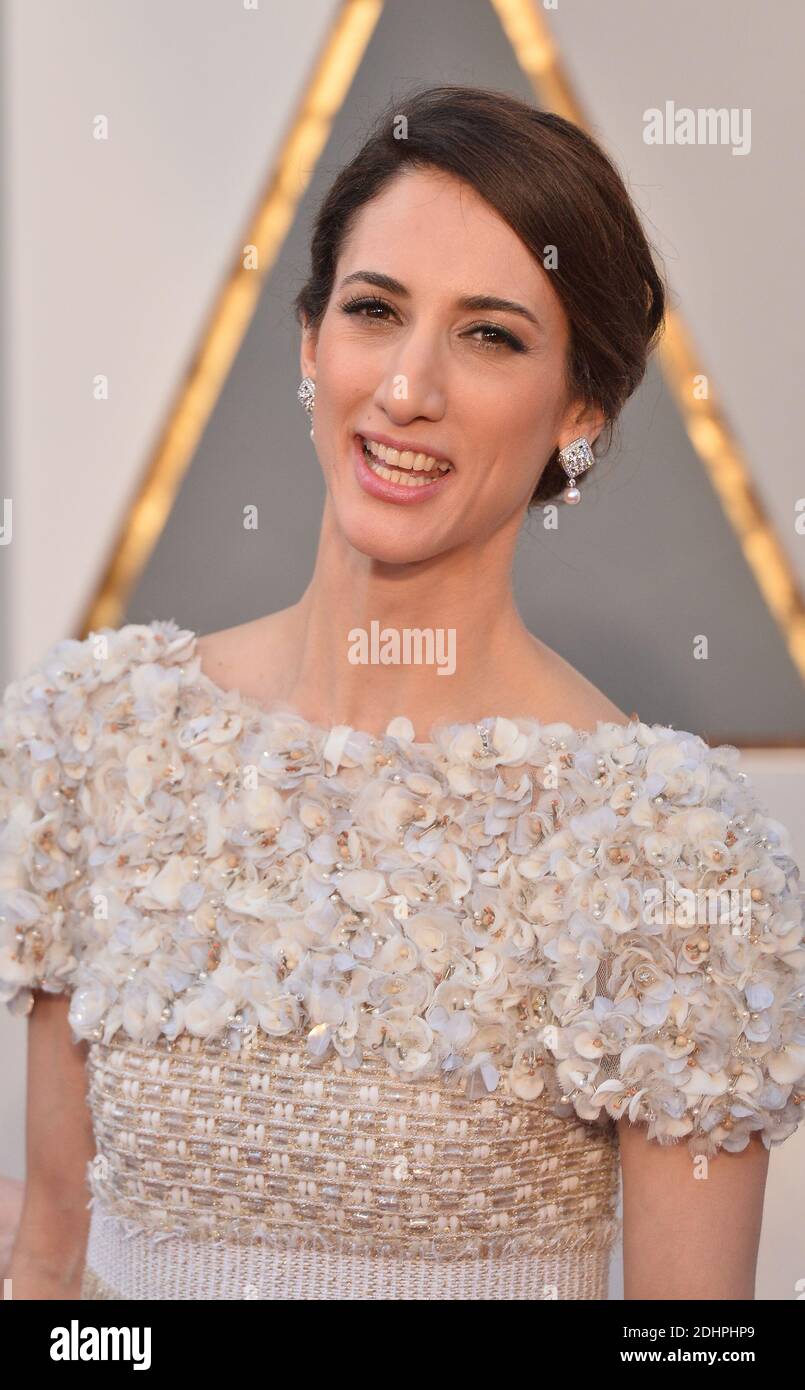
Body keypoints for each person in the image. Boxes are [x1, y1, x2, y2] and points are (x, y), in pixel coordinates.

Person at [2, 85, 804, 1302]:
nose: (407, 388)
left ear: (579, 410)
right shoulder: (103, 737)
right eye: (375, 311)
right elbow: (52, 1271)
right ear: (311, 342)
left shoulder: (664, 841)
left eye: (490, 334)